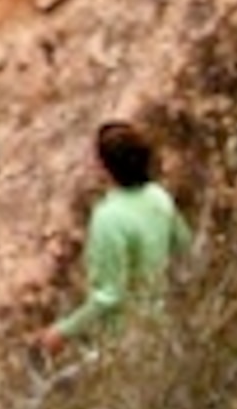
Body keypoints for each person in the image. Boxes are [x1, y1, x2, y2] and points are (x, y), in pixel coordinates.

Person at [35, 119, 194, 358]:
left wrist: (63, 331)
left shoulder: (108, 217)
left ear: (104, 167)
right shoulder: (158, 197)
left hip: (123, 342)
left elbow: (108, 295)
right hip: (159, 326)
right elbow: (184, 247)